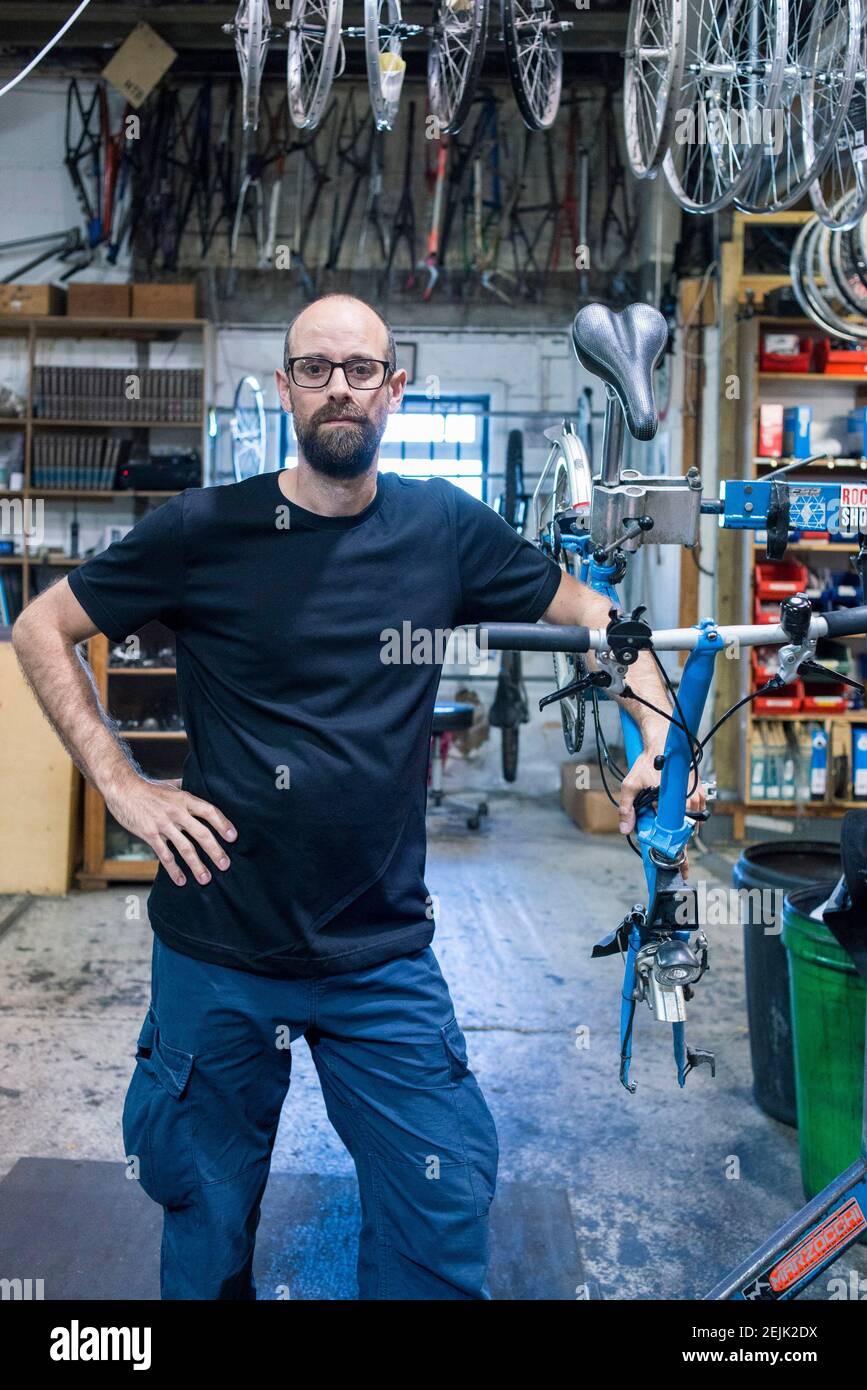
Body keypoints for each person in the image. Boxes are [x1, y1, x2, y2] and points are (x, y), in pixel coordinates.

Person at [11, 293, 702, 1300]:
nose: (341, 386)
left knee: (442, 1196)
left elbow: (605, 620)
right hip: (218, 949)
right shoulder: (205, 528)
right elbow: (42, 626)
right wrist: (122, 782)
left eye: (363, 369)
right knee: (202, 1218)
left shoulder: (441, 528)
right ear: (287, 385)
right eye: (317, 367)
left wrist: (653, 743)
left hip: (378, 952)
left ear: (396, 389)